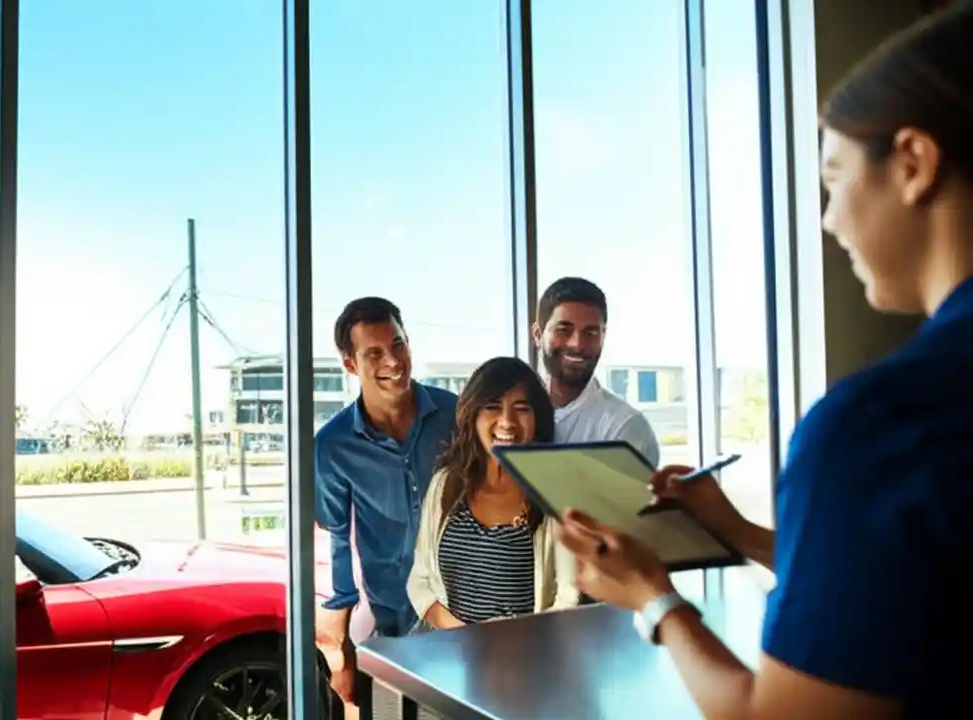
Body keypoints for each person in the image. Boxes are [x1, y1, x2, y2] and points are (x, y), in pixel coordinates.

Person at [552, 6, 973, 719]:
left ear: (912, 164)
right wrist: (738, 531)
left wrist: (654, 598)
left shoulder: (878, 428)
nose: (829, 219)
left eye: (834, 178)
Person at [314, 296, 459, 706]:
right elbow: (337, 544)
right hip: (391, 624)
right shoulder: (332, 445)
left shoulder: (456, 415)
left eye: (398, 344)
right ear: (350, 364)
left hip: (462, 618)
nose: (393, 361)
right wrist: (342, 649)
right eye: (374, 353)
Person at [407, 357, 578, 631]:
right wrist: (463, 634)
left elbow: (569, 598)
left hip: (528, 649)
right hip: (451, 646)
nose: (507, 422)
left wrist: (511, 644)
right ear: (473, 415)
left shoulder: (556, 493)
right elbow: (419, 581)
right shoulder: (446, 483)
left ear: (537, 418)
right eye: (492, 407)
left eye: (521, 408)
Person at [531, 277, 660, 465]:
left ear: (603, 336)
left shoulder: (623, 425)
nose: (577, 344)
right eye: (563, 330)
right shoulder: (515, 416)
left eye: (590, 333)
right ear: (537, 335)